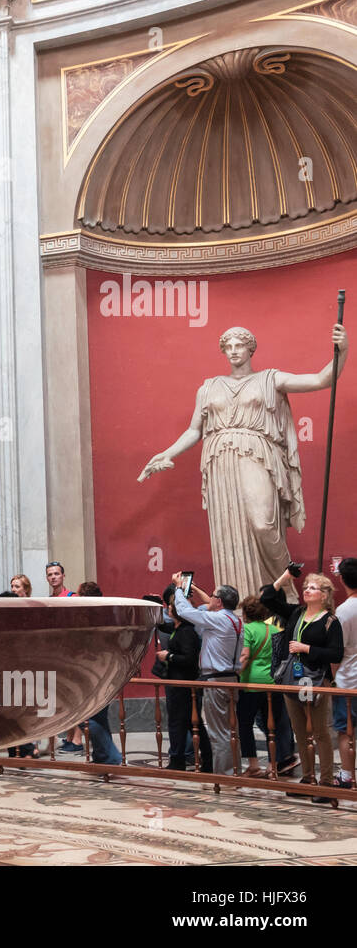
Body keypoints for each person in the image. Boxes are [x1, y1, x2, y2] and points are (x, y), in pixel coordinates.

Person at [139, 324, 348, 603]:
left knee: (263, 524)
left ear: (251, 349)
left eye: (240, 345)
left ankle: (283, 593)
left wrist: (342, 350)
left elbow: (322, 380)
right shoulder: (209, 387)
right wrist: (167, 453)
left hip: (256, 453)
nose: (234, 351)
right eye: (229, 347)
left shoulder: (270, 379)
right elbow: (195, 430)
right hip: (219, 460)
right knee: (230, 534)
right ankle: (238, 603)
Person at [260, 568, 343, 801]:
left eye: (313, 587)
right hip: (293, 678)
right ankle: (307, 779)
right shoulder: (297, 612)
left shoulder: (330, 621)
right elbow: (267, 598)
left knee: (320, 733)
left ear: (324, 595)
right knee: (299, 731)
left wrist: (306, 649)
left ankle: (325, 782)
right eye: (306, 586)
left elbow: (336, 654)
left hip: (317, 680)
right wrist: (286, 576)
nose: (307, 590)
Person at [172, 574, 243, 777]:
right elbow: (207, 604)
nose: (209, 598)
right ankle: (234, 770)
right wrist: (195, 588)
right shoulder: (234, 619)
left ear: (219, 601)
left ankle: (224, 775)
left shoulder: (218, 620)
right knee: (230, 731)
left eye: (213, 596)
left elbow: (184, 611)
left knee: (218, 733)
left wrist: (179, 588)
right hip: (231, 679)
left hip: (216, 680)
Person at [234, 596, 294, 778]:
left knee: (244, 725)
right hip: (272, 683)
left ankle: (253, 765)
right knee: (272, 726)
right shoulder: (274, 629)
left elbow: (244, 656)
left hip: (250, 683)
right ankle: (272, 765)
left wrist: (235, 671)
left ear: (245, 613)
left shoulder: (247, 630)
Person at [155, 583, 202, 770]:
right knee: (186, 722)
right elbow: (162, 625)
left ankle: (179, 759)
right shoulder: (178, 628)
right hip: (178, 682)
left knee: (185, 722)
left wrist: (169, 656)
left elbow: (190, 659)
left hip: (182, 682)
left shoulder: (187, 631)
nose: (168, 608)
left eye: (170, 606)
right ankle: (178, 757)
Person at [334, 558, 357, 787]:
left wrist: (332, 678)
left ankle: (348, 775)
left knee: (345, 731)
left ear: (342, 579)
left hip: (348, 678)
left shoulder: (343, 611)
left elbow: (336, 651)